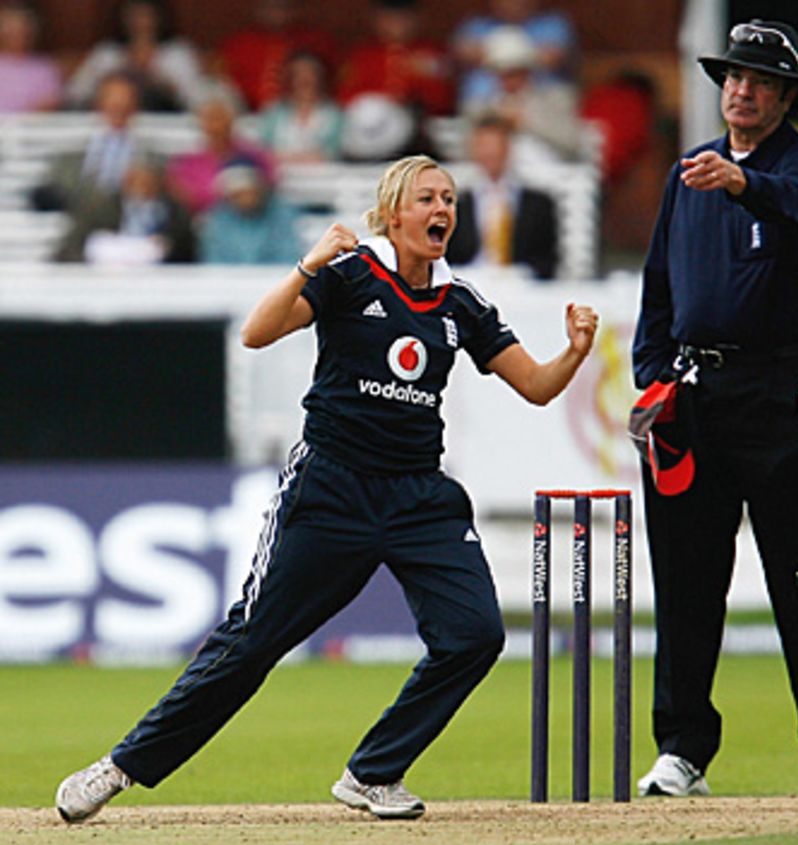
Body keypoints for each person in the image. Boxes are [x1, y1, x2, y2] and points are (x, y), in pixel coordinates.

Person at [54, 153, 599, 825]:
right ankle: (120, 766)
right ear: (393, 212)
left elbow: (537, 387)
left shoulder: (462, 302)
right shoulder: (348, 275)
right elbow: (256, 333)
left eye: (450, 200)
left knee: (476, 634)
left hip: (419, 495)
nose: (443, 211)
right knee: (250, 644)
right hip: (332, 488)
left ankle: (374, 771)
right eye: (427, 199)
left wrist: (573, 352)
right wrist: (308, 264)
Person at [630, 19, 798, 799]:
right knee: (688, 580)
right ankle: (682, 746)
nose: (742, 90)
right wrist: (651, 374)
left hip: (781, 391)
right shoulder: (687, 175)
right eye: (733, 77)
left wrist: (744, 184)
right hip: (696, 395)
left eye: (760, 81)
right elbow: (660, 285)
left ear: (786, 95)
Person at [444, 112, 558, 279]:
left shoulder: (538, 204)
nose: (490, 153)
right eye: (483, 146)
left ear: (508, 148)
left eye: (496, 145)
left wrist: (522, 275)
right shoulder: (458, 205)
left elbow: (547, 260)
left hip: (521, 286)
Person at [461, 25, 582, 165]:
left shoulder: (556, 98)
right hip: (502, 180)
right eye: (501, 74)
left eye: (514, 72)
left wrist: (528, 122)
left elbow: (571, 142)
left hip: (549, 175)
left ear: (528, 70)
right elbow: (467, 150)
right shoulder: (485, 107)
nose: (507, 80)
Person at [64, 0, 209, 113]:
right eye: (134, 15)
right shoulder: (107, 54)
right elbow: (75, 95)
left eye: (147, 15)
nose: (141, 22)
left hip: (164, 124)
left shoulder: (177, 53)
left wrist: (158, 75)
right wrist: (115, 77)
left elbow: (199, 100)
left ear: (160, 18)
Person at [30, 71, 144, 213]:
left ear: (134, 107)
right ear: (99, 105)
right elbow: (58, 189)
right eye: (113, 103)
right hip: (80, 217)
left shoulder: (150, 155)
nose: (118, 107)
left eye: (124, 103)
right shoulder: (70, 152)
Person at [55, 152, 195, 264]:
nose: (141, 188)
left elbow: (185, 249)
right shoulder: (101, 208)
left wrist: (166, 246)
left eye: (148, 182)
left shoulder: (174, 212)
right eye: (136, 180)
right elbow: (75, 244)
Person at [166, 85, 276, 215]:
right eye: (209, 119)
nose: (216, 126)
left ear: (233, 119)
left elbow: (267, 191)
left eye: (220, 118)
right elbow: (181, 200)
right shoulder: (186, 163)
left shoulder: (254, 156)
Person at [336, 0, 456, 119]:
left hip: (421, 125)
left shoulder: (433, 53)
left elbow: (444, 100)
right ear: (376, 21)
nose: (397, 25)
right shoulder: (361, 55)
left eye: (404, 19)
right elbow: (346, 97)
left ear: (417, 20)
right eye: (389, 19)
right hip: (374, 126)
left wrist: (425, 73)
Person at [451, 0, 575, 109]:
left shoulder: (553, 23)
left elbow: (552, 57)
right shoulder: (476, 25)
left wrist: (494, 52)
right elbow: (462, 53)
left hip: (538, 115)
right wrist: (529, 53)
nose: (514, 2)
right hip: (483, 112)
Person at [216, 0, 337, 111]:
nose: (277, 13)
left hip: (304, 117)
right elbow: (222, 87)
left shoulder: (318, 42)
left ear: (297, 9)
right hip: (248, 116)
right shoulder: (237, 45)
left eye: (284, 7)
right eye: (270, 7)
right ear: (258, 8)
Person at [198, 156, 301, 264]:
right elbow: (213, 261)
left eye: (249, 191)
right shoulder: (218, 220)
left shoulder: (282, 215)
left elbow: (289, 257)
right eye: (238, 194)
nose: (246, 198)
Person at [258, 49, 344, 164]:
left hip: (324, 178)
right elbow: (263, 152)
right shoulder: (272, 114)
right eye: (297, 74)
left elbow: (336, 152)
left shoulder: (335, 115)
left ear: (320, 78)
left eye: (310, 73)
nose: (304, 79)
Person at [0, 0, 62, 113]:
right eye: (11, 29)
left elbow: (50, 104)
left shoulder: (45, 67)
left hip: (33, 128)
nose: (17, 34)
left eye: (22, 28)